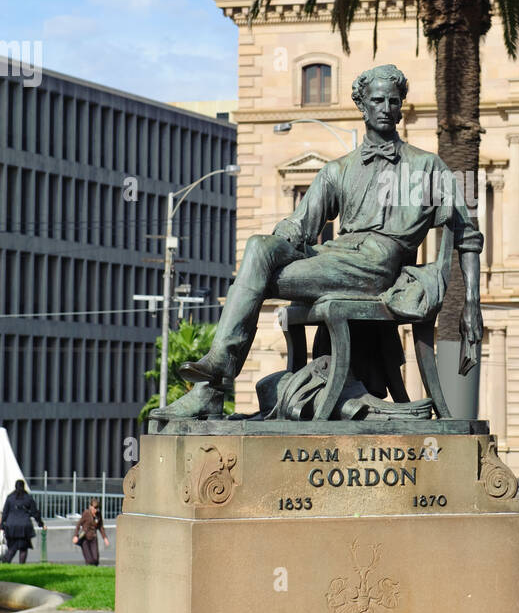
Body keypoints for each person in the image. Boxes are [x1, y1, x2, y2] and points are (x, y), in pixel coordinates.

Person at [153, 64, 483, 422]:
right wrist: (279, 243)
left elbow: (467, 237)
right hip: (336, 258)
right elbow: (299, 226)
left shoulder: (427, 166)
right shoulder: (337, 170)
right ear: (362, 105)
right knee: (258, 247)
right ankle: (218, 369)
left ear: (401, 106)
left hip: (378, 267)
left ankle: (211, 388)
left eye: (393, 100)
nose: (386, 107)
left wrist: (471, 304)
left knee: (256, 276)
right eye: (377, 100)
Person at [1, 479, 44, 564]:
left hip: (11, 525)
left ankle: (6, 562)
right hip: (25, 525)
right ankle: (21, 565)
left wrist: (2, 525)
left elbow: (5, 513)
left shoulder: (10, 498)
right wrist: (40, 523)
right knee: (23, 548)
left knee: (12, 547)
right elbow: (35, 512)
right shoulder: (28, 498)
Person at [73, 497, 110, 566]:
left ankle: (96, 572)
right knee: (89, 560)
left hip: (93, 538)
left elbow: (100, 527)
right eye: (94, 508)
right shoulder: (86, 513)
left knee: (95, 559)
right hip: (85, 538)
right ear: (90, 507)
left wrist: (105, 538)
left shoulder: (98, 515)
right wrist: (75, 536)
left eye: (97, 508)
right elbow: (78, 524)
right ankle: (88, 571)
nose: (95, 510)